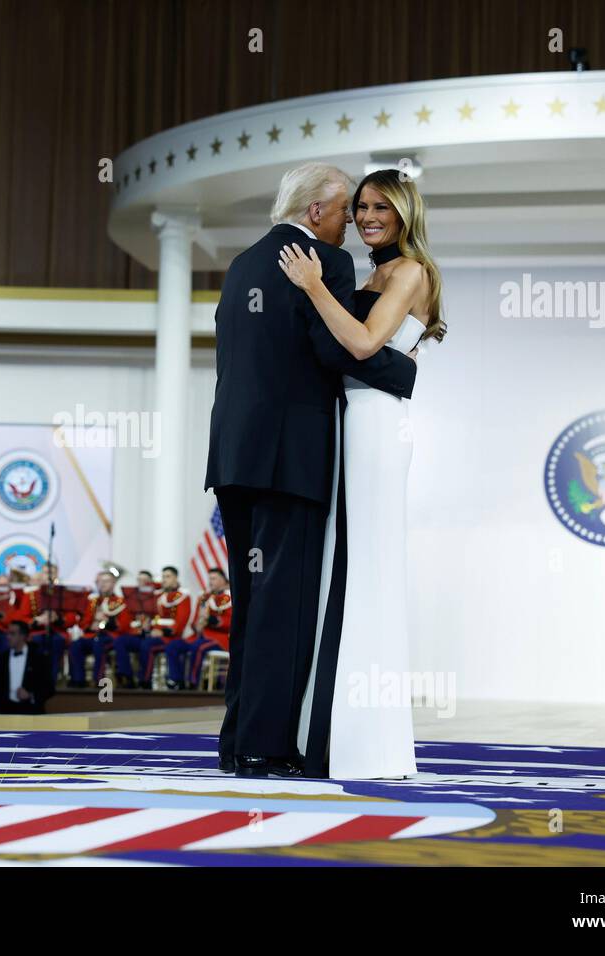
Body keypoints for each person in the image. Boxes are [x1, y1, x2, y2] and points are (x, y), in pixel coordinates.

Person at [204, 164, 418, 779]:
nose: (353, 223)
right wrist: (408, 373)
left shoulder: (243, 263)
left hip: (235, 459)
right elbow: (340, 350)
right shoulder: (324, 261)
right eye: (348, 210)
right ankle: (266, 748)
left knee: (249, 604)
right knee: (286, 608)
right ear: (318, 210)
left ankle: (235, 741)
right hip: (290, 462)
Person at [278, 168, 445, 780]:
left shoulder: (409, 273)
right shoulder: (373, 272)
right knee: (340, 574)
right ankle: (331, 736)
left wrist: (315, 287)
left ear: (405, 214)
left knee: (366, 573)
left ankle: (367, 743)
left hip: (377, 428)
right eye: (362, 207)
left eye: (382, 207)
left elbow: (366, 345)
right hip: (353, 421)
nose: (368, 217)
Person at [0, 621, 54, 714]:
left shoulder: (38, 659)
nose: (8, 637)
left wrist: (30, 695)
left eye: (12, 634)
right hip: (5, 713)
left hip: (31, 713)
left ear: (23, 636)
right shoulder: (1, 659)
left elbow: (49, 688)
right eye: (8, 633)